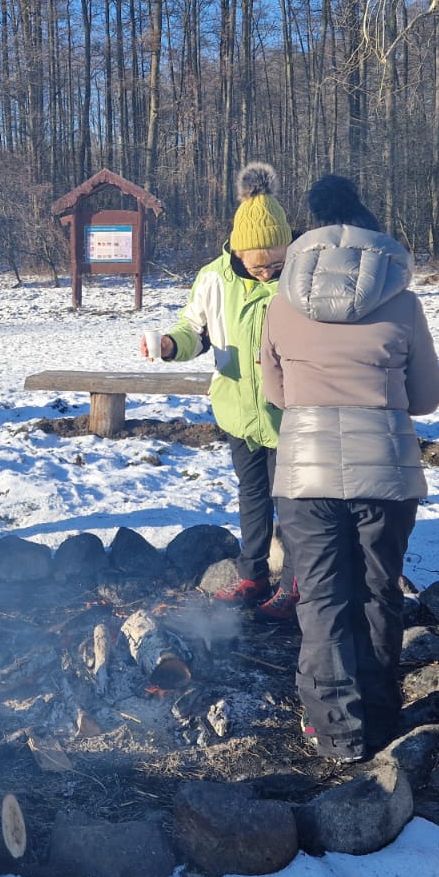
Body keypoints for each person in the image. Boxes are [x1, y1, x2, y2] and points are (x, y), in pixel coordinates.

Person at [261, 175, 439, 761]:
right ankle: (381, 717)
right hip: (385, 473)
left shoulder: (280, 302)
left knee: (320, 599)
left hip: (304, 472)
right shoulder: (403, 300)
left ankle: (333, 730)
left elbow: (275, 391)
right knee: (377, 591)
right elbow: (425, 396)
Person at [146, 163, 296, 620]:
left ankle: (295, 584)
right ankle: (252, 573)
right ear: (238, 251)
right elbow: (194, 328)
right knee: (251, 495)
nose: (269, 271)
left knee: (293, 504)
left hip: (290, 411)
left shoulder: (299, 279)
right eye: (260, 264)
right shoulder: (214, 278)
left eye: (277, 262)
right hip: (237, 409)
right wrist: (172, 345)